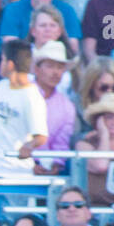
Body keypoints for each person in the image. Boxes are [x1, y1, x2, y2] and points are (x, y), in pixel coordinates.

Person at [0, 39, 48, 225]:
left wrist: (28, 146)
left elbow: (41, 136)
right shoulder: (0, 86)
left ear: (10, 64)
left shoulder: (32, 97)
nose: (0, 64)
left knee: (11, 225)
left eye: (2, 60)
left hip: (13, 173)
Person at [31, 40, 76, 175]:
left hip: (45, 169)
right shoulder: (21, 94)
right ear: (37, 69)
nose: (56, 72)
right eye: (50, 66)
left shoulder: (67, 107)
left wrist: (56, 164)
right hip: (12, 164)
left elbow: (61, 144)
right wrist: (27, 163)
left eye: (60, 67)